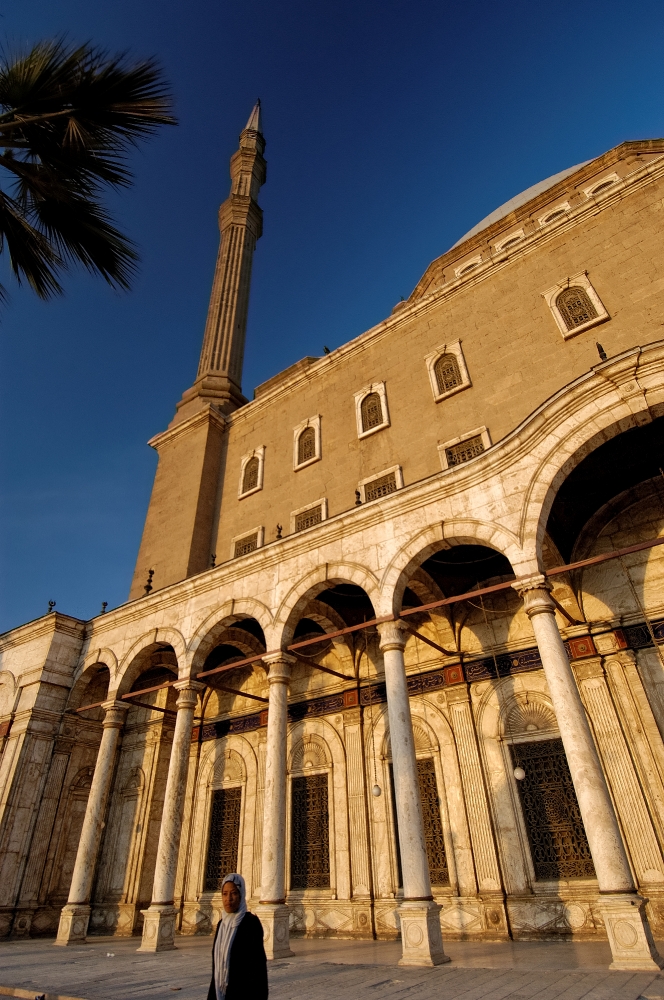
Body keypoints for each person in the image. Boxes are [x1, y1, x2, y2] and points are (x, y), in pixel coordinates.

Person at [207, 872, 268, 1000]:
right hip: (220, 994)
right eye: (225, 894)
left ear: (241, 894)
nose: (228, 899)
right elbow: (217, 969)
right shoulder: (221, 925)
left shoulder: (250, 923)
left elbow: (258, 968)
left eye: (234, 893)